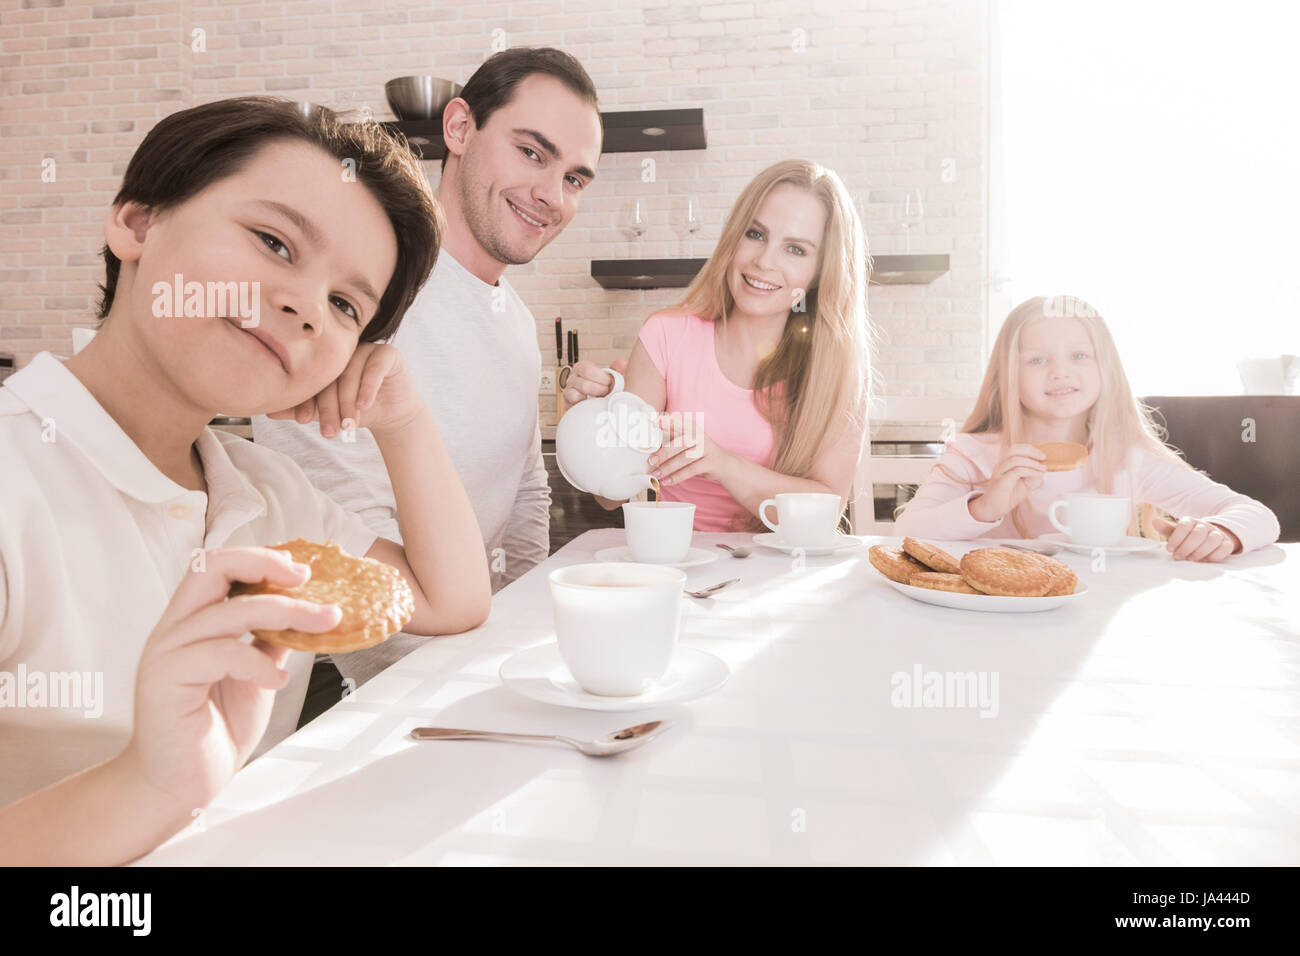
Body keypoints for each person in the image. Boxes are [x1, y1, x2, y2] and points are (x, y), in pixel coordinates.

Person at [0, 96, 489, 864]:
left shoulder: (267, 493)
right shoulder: (15, 482)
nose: (304, 307)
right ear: (138, 222)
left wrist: (400, 416)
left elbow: (451, 598)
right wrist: (150, 785)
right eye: (274, 242)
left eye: (345, 306)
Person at [254, 48, 603, 687]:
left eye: (575, 178)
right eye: (532, 152)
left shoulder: (519, 322)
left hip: (471, 661)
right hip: (345, 684)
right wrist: (450, 688)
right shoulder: (360, 288)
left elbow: (525, 490)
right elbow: (337, 535)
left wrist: (523, 639)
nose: (551, 195)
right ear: (460, 128)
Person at [563, 159, 873, 532]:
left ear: (821, 272)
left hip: (782, 574)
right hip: (683, 572)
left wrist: (724, 464)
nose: (763, 261)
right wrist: (596, 415)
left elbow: (824, 513)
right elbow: (610, 495)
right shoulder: (666, 335)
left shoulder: (839, 368)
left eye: (795, 249)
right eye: (755, 234)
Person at [893, 296, 1280, 559]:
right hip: (996, 619)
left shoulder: (1127, 457)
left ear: (1104, 368)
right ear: (1007, 377)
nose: (1060, 371)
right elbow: (906, 533)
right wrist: (986, 505)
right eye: (1037, 360)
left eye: (1079, 355)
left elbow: (1258, 516)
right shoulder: (973, 454)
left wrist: (1223, 533)